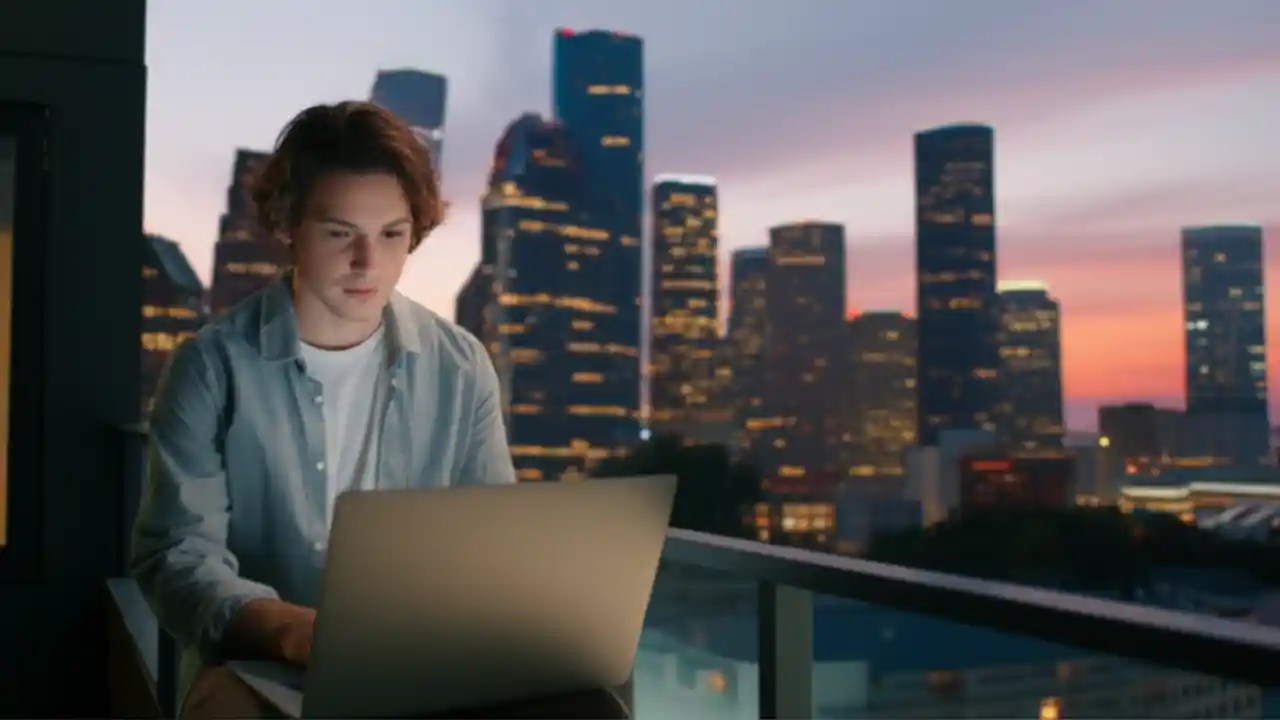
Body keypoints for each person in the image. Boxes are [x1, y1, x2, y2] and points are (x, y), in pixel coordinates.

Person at [131, 101, 629, 719]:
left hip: (424, 663)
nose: (369, 264)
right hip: (265, 664)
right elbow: (177, 556)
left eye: (392, 235)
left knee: (594, 708)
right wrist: (290, 630)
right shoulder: (211, 366)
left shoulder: (460, 364)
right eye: (341, 234)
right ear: (289, 225)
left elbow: (487, 543)